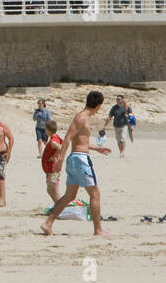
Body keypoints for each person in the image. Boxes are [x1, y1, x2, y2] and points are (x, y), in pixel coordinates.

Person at [41, 91, 113, 236]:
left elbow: (81, 141)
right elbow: (67, 138)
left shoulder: (84, 117)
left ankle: (48, 223)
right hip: (80, 159)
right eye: (100, 106)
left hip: (75, 158)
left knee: (69, 195)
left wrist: (97, 148)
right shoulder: (82, 117)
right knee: (95, 194)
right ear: (98, 105)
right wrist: (60, 160)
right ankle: (98, 230)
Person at [40, 120, 63, 204]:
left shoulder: (53, 141)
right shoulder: (56, 137)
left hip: (53, 168)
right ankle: (57, 206)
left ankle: (60, 208)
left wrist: (54, 156)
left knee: (53, 190)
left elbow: (60, 148)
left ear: (47, 130)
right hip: (50, 169)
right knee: (50, 190)